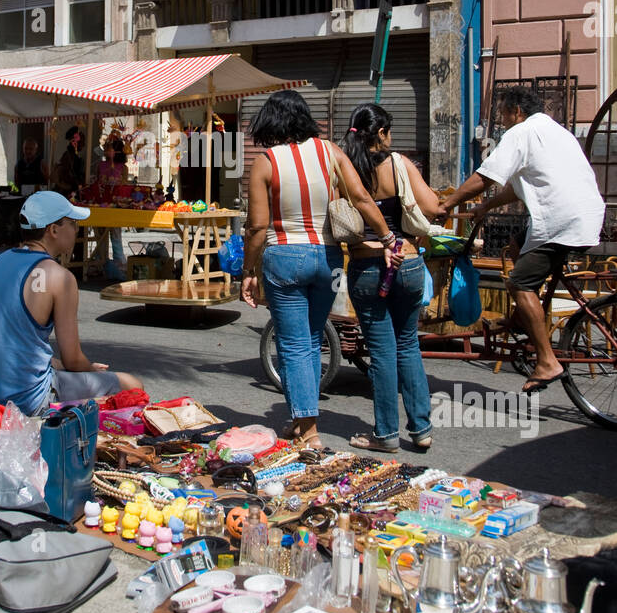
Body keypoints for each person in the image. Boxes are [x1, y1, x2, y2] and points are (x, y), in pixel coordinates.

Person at [240, 91, 399, 451]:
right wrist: (388, 238)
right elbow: (361, 199)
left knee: (295, 345)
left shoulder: (266, 162)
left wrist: (248, 271)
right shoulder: (331, 152)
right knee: (311, 340)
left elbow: (257, 227)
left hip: (284, 258)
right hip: (330, 260)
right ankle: (301, 422)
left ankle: (309, 431)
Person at [437, 87, 605, 393]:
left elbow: (485, 176)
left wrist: (447, 204)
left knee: (518, 283)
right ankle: (521, 315)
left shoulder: (521, 133)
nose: (502, 120)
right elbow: (516, 186)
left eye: (503, 113)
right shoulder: (556, 132)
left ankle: (547, 361)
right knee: (516, 245)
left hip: (560, 222)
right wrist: (485, 207)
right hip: (584, 215)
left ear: (516, 111)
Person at [0, 190, 143, 414]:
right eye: (72, 223)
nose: (76, 229)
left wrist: (64, 366)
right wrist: (92, 370)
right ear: (53, 229)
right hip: (23, 399)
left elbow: (13, 343)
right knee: (132, 386)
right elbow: (73, 359)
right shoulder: (59, 277)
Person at [339, 104, 443, 452]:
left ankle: (386, 435)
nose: (392, 137)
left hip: (367, 265)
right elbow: (431, 207)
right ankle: (422, 429)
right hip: (409, 262)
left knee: (383, 353)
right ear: (380, 132)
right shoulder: (399, 164)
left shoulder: (344, 167)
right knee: (408, 345)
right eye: (389, 131)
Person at [98, 133, 129, 270]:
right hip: (101, 201)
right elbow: (98, 180)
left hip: (117, 202)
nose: (107, 151)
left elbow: (124, 184)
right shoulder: (101, 165)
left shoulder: (123, 167)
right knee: (100, 232)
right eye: (106, 149)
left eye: (110, 149)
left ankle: (119, 260)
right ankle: (100, 259)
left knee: (115, 232)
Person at [54, 125, 85, 198]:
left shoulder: (74, 156)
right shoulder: (68, 156)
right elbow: (66, 174)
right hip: (67, 191)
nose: (83, 144)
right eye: (82, 141)